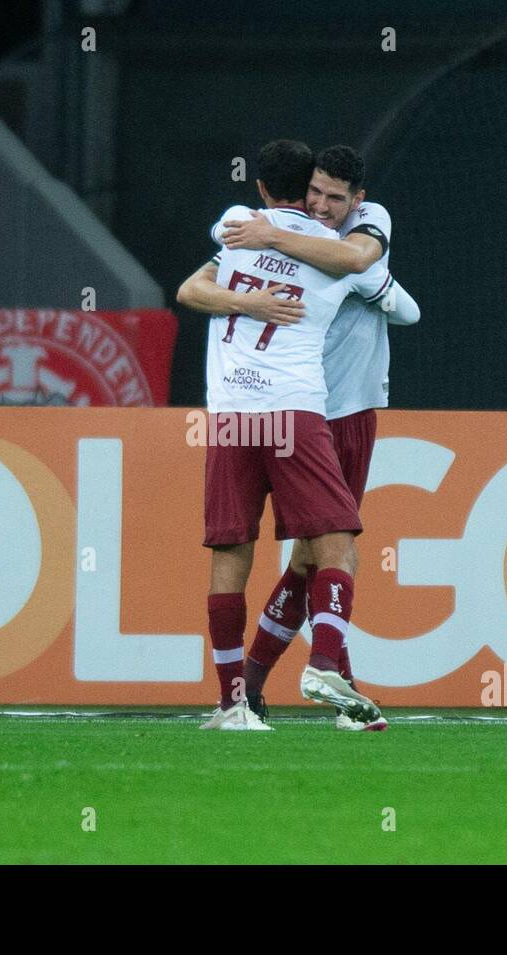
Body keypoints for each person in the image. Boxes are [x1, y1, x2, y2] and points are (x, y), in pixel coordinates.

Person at [178, 139, 415, 731]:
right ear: (302, 188)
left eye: (336, 197)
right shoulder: (338, 253)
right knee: (334, 543)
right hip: (299, 412)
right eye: (316, 193)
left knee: (236, 549)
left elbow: (189, 290)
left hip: (232, 413)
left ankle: (238, 698)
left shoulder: (238, 224)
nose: (325, 204)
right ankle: (326, 667)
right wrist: (257, 300)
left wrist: (258, 261)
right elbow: (378, 283)